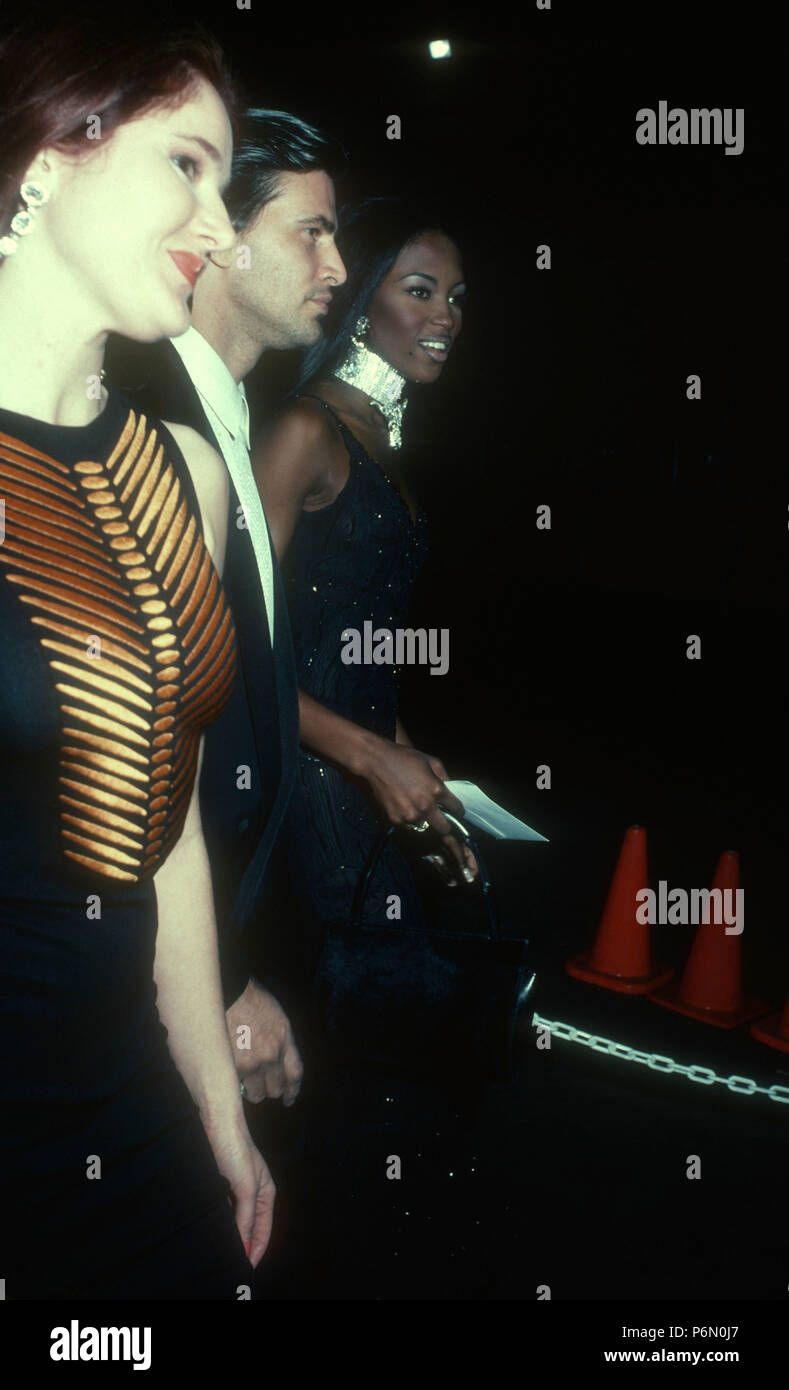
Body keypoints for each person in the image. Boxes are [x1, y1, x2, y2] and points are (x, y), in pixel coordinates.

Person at [0, 12, 273, 1298]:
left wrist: (216, 1106)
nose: (222, 228)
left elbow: (166, 828)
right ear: (55, 147)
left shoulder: (193, 479)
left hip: (122, 1102)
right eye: (189, 164)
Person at [104, 110, 347, 1109]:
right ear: (223, 241)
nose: (339, 264)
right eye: (312, 231)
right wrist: (227, 981)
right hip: (164, 964)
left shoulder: (228, 414)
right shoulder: (146, 424)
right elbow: (141, 756)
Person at [252, 197, 477, 991]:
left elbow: (348, 638)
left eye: (454, 297)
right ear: (360, 302)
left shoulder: (379, 440)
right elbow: (236, 643)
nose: (444, 314)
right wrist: (372, 755)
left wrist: (407, 764)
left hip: (356, 780)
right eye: (419, 290)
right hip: (300, 791)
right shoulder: (305, 432)